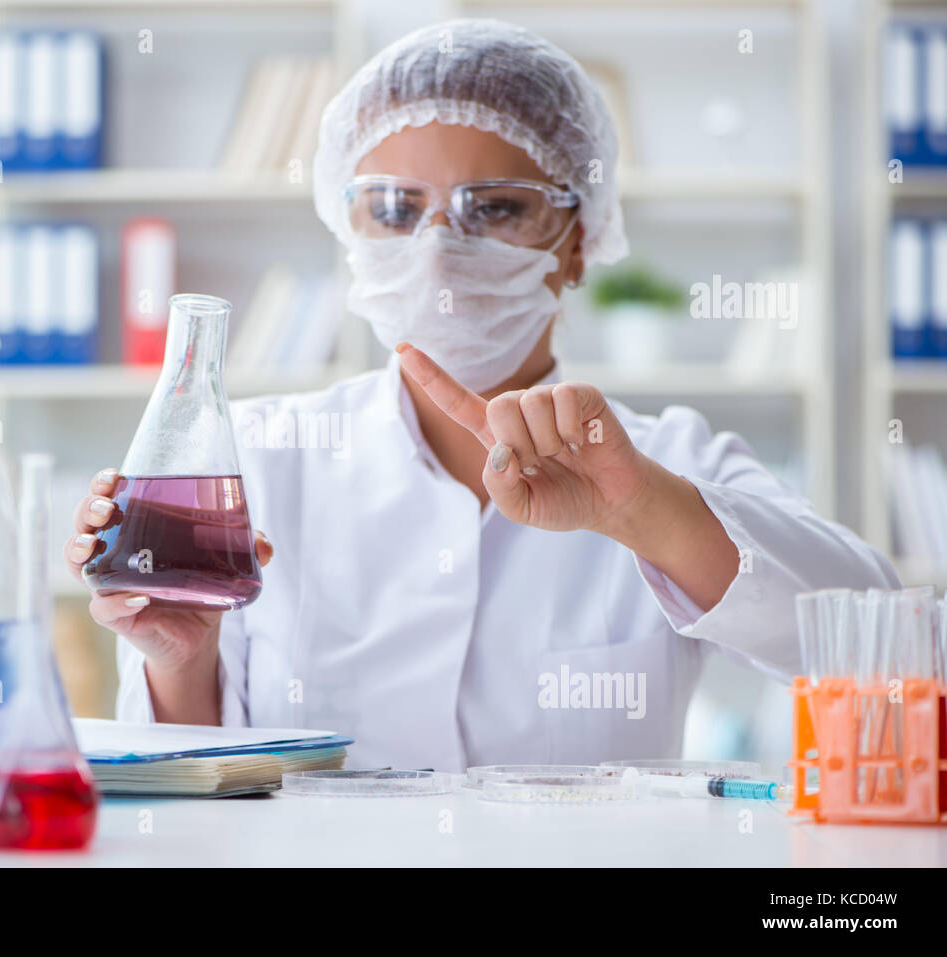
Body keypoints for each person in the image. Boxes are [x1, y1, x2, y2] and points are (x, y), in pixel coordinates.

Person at [65, 19, 898, 771]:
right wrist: (180, 658)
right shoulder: (253, 459)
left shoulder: (671, 462)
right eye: (394, 208)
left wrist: (643, 512)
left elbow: (886, 652)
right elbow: (204, 786)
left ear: (578, 243)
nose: (437, 248)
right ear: (351, 235)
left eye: (494, 208)